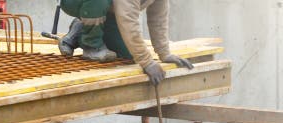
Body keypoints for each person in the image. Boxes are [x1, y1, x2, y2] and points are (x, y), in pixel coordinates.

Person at [59, 0, 194, 85]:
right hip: (76, 2)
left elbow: (158, 19)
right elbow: (129, 21)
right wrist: (147, 62)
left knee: (129, 55)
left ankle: (81, 28)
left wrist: (164, 53)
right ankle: (91, 44)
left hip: (110, 9)